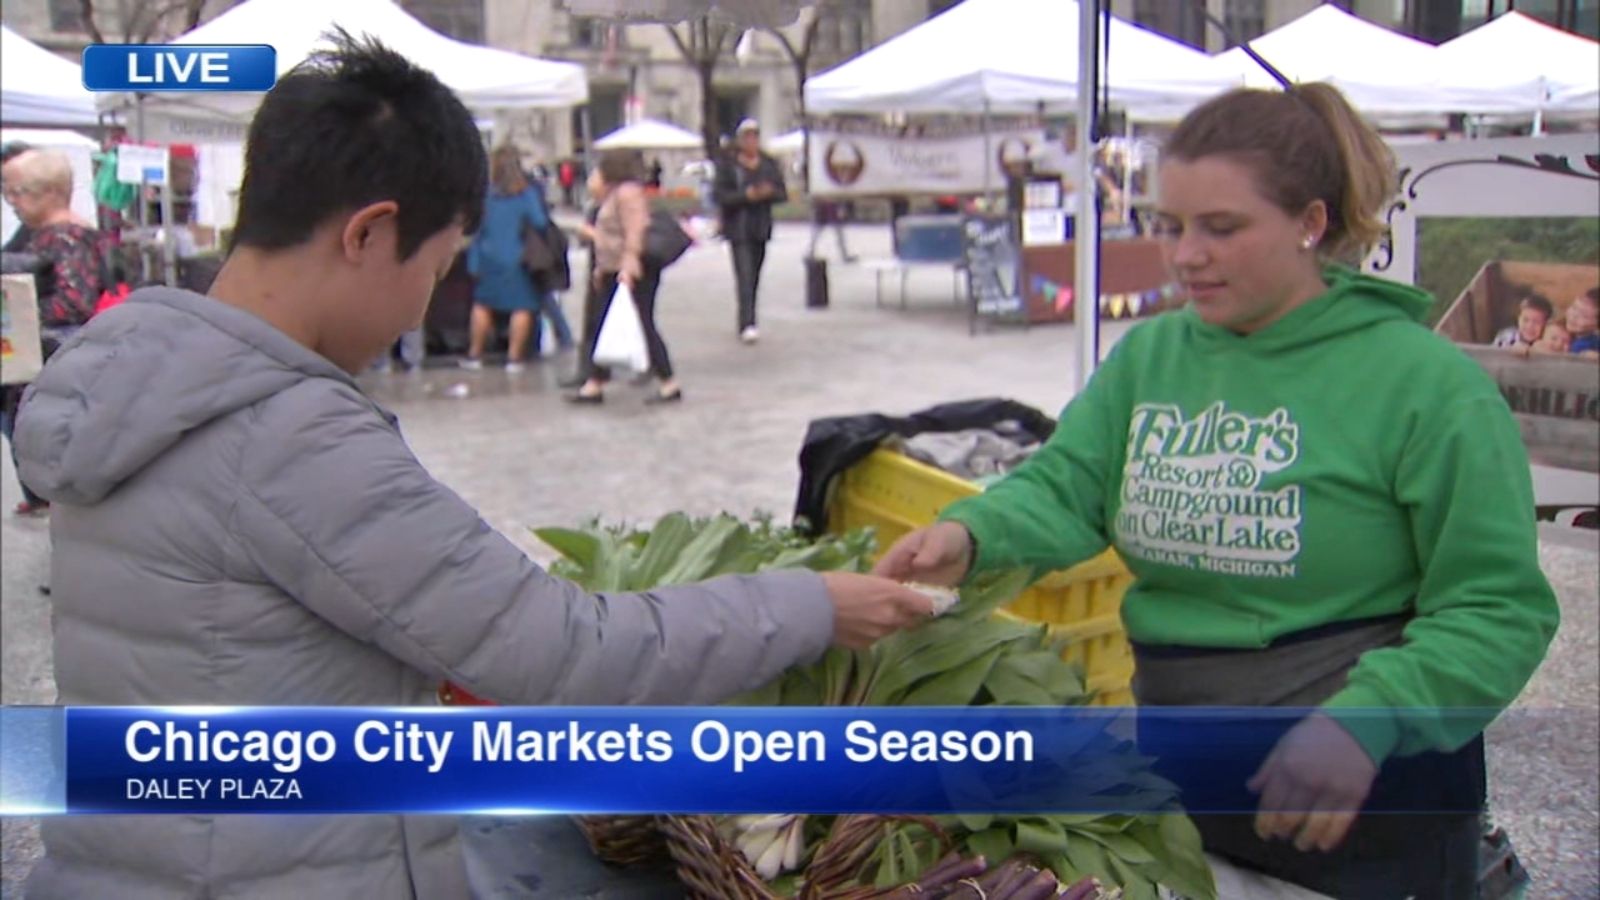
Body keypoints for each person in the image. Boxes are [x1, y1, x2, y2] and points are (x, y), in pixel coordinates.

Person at [14, 32, 934, 900]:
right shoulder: (287, 434)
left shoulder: (139, 379)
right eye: (437, 266)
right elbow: (567, 654)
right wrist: (814, 605)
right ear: (368, 233)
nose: (424, 308)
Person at [873, 82, 1559, 900]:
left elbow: (1498, 608)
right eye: (1170, 226)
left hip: (1366, 803)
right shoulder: (1153, 356)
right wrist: (971, 535)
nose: (1185, 255)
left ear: (1310, 222)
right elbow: (1068, 485)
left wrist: (1367, 722)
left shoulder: (1428, 386)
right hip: (1187, 780)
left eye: (1221, 228)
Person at [2, 148, 113, 517]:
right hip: (56, 366)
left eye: (18, 191)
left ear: (50, 191)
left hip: (59, 367)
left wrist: (20, 314)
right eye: (7, 191)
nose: (11, 200)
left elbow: (73, 302)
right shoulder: (53, 235)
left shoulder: (66, 237)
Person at [566, 150, 682, 405]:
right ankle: (596, 381)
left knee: (642, 322)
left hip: (629, 270)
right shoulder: (614, 194)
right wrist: (601, 268)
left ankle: (668, 380)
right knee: (602, 321)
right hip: (612, 268)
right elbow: (609, 236)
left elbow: (634, 232)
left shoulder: (628, 193)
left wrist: (628, 268)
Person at [461, 144, 573, 371]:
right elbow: (540, 223)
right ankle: (514, 359)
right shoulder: (525, 194)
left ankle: (475, 355)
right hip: (517, 258)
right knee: (521, 307)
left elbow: (475, 228)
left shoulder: (485, 194)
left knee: (482, 305)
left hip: (487, 257)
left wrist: (473, 262)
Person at [714, 118, 787, 344]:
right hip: (739, 229)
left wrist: (768, 193)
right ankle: (747, 322)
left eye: (754, 136)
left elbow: (782, 193)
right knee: (744, 275)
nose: (751, 141)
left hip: (760, 227)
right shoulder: (729, 165)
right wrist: (746, 196)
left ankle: (748, 316)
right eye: (747, 137)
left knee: (754, 275)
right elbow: (720, 196)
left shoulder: (768, 164)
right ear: (740, 140)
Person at [808, 198, 857, 263]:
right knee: (817, 233)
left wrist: (841, 207)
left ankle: (810, 254)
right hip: (825, 206)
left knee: (838, 233)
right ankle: (810, 254)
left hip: (830, 206)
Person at [1564, 286, 1599, 356]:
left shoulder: (1584, 347)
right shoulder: (1560, 330)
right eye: (1574, 307)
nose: (1574, 316)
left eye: (1584, 316)